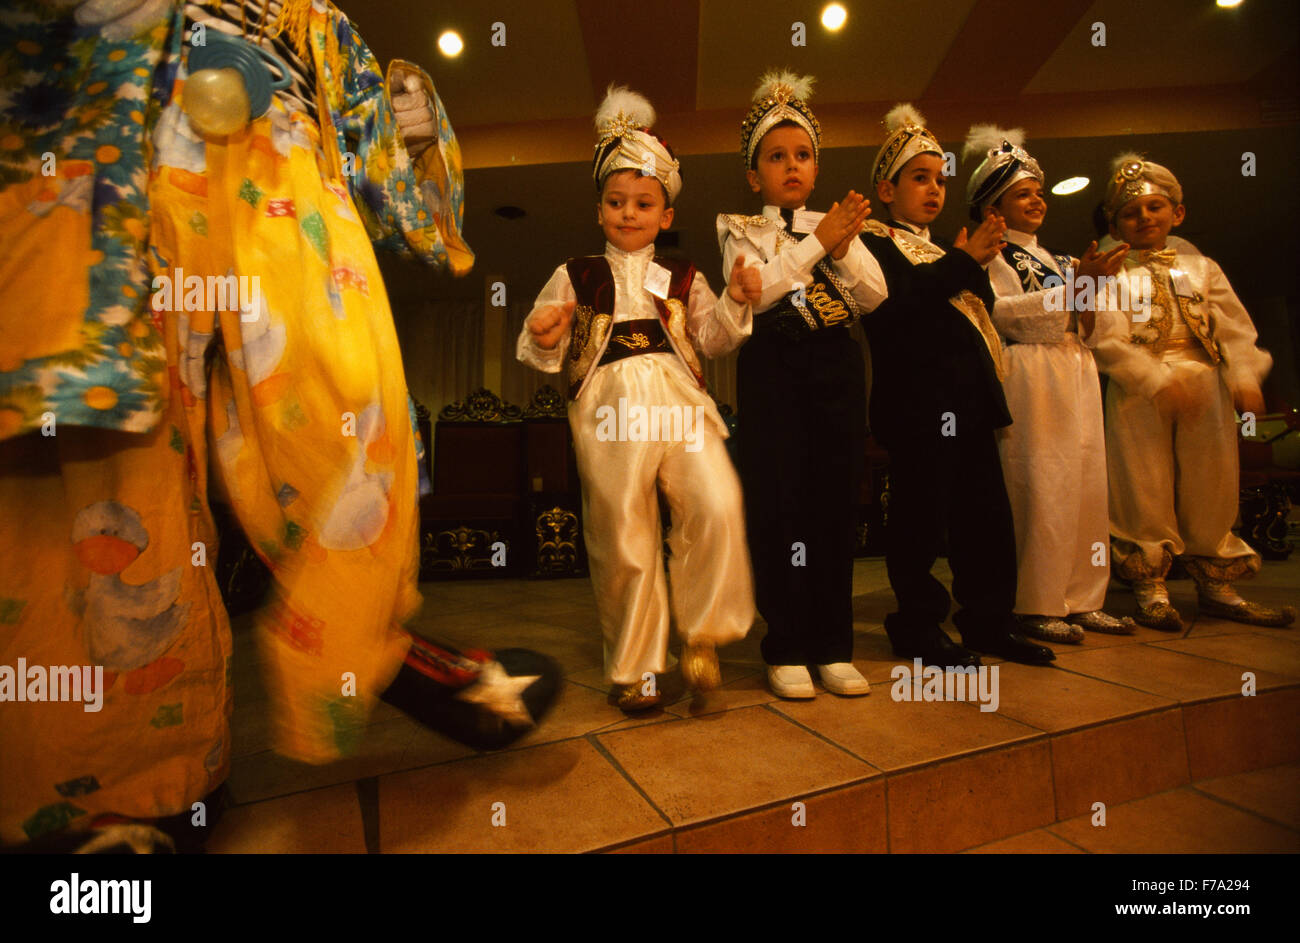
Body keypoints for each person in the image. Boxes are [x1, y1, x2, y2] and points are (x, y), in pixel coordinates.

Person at [0, 0, 555, 852]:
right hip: (111, 160)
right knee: (115, 464)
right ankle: (128, 789)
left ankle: (362, 644)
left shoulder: (313, 17)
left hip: (283, 156)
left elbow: (396, 175)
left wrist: (407, 133)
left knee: (351, 402)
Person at [517, 86, 759, 712]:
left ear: (666, 214)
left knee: (718, 499)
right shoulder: (575, 272)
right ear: (599, 210)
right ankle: (636, 665)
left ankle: (701, 636)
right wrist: (545, 334)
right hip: (609, 401)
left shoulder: (683, 275)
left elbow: (713, 336)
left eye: (644, 203)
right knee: (623, 528)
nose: (629, 212)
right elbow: (545, 336)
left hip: (680, 397)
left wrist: (735, 300)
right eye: (616, 201)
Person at [859, 104, 1055, 668]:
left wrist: (966, 260)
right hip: (918, 405)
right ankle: (917, 626)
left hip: (968, 403)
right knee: (920, 522)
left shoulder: (951, 247)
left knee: (985, 519)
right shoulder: (873, 242)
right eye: (919, 178)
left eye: (940, 179)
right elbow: (896, 311)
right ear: (886, 189)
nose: (934, 190)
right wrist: (966, 260)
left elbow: (979, 315)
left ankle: (988, 621)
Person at [717, 71, 887, 699]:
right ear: (754, 174)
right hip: (774, 369)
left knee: (833, 504)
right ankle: (785, 642)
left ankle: (832, 644)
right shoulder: (739, 226)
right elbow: (755, 296)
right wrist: (818, 243)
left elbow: (874, 294)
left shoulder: (843, 227)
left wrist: (838, 244)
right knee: (781, 502)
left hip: (838, 369)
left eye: (803, 155)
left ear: (816, 168)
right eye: (776, 156)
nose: (792, 165)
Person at [1091, 153, 1294, 630]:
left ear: (1177, 213)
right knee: (1141, 484)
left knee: (1213, 481)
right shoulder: (1109, 271)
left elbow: (1236, 328)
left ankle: (1217, 584)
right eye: (1131, 212)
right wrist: (1153, 379)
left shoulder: (1202, 267)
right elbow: (1104, 336)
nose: (1144, 218)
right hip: (1138, 390)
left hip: (1204, 383)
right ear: (1115, 223)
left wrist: (1244, 378)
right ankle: (1150, 585)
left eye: (1155, 208)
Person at [964, 125, 1136, 642]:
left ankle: (1084, 596)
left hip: (1076, 376)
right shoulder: (992, 258)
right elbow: (1001, 315)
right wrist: (1075, 292)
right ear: (994, 206)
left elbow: (1095, 329)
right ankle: (1036, 600)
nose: (1036, 200)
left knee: (1085, 485)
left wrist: (1091, 292)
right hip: (1031, 379)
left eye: (1039, 192)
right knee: (1042, 487)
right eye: (1023, 193)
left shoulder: (1063, 260)